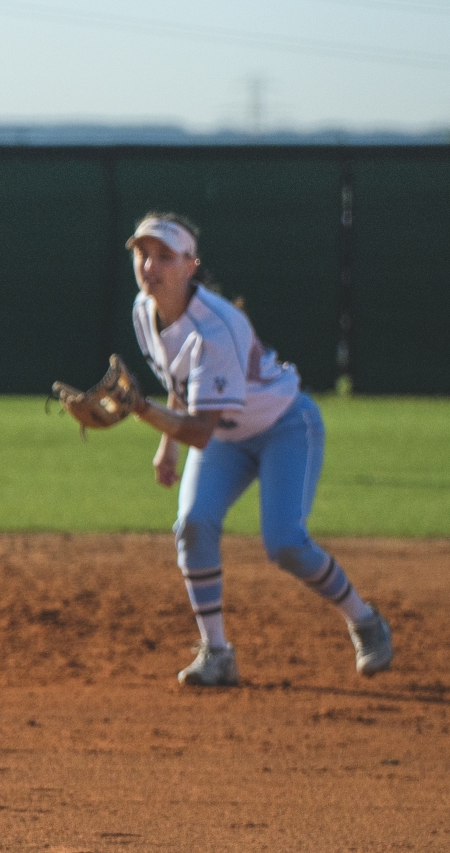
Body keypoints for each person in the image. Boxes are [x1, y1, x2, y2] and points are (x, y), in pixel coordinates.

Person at [122, 212, 393, 687]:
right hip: (227, 436)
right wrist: (166, 446)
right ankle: (217, 653)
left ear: (190, 266)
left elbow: (201, 432)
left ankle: (366, 621)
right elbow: (179, 383)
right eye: (143, 253)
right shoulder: (145, 312)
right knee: (193, 524)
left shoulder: (218, 327)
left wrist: (140, 410)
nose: (150, 265)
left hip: (284, 425)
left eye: (164, 255)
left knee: (286, 544)